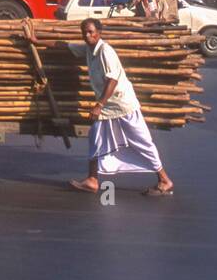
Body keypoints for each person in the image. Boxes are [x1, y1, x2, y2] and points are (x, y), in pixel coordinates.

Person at [66, 18, 174, 197]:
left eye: (91, 32)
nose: (87, 35)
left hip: (122, 104)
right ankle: (92, 180)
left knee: (142, 141)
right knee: (95, 138)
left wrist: (99, 105)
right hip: (109, 107)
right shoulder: (89, 49)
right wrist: (36, 41)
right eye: (84, 32)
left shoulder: (105, 51)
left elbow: (113, 80)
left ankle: (164, 179)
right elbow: (65, 46)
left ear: (99, 32)